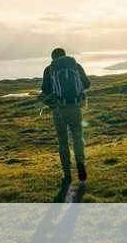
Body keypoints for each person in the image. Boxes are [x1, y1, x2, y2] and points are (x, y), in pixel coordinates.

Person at [40, 48, 91, 183]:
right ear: (65, 55)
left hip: (58, 110)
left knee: (62, 141)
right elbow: (87, 84)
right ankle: (80, 163)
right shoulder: (75, 66)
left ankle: (67, 173)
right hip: (75, 107)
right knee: (77, 137)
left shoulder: (49, 69)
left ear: (53, 58)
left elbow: (45, 90)